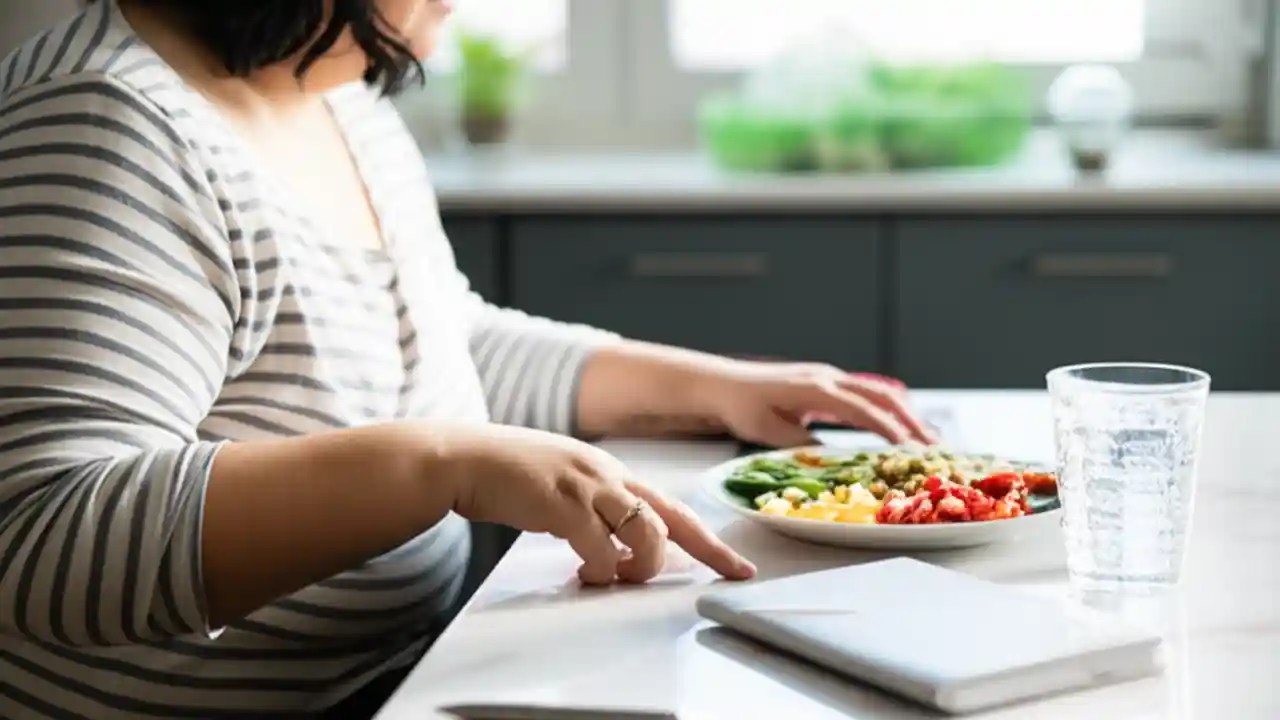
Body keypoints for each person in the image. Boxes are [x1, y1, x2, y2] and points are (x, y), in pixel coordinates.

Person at [0, 1, 936, 717]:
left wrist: (711, 387)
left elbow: (441, 340)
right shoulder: (108, 127)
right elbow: (38, 546)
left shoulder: (333, 93)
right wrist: (439, 466)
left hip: (403, 680)